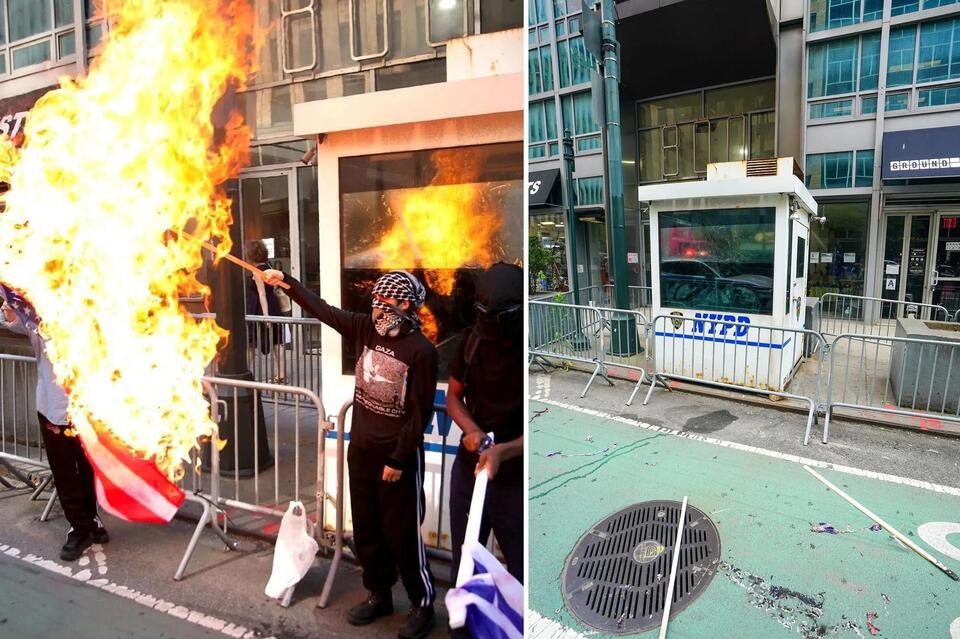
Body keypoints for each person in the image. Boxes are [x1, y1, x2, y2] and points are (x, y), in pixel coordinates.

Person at [261, 267, 439, 639]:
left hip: (396, 460)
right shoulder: (364, 328)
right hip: (361, 450)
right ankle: (379, 595)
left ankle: (422, 603)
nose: (377, 306)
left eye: (385, 300)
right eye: (375, 299)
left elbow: (420, 411)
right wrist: (287, 284)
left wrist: (398, 459)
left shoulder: (420, 351)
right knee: (368, 530)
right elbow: (323, 310)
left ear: (405, 304)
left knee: (401, 534)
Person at [0, 288, 108, 561]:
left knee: (88, 467)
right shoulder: (35, 321)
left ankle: (92, 518)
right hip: (52, 409)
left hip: (88, 408)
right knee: (64, 472)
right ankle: (79, 528)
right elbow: (10, 321)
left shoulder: (88, 323)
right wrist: (9, 307)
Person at [446, 263, 524, 599]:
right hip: (470, 471)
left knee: (520, 570)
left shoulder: (527, 351)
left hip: (515, 477)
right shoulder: (471, 340)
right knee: (464, 566)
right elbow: (453, 396)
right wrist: (472, 429)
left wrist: (505, 450)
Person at [245, 240, 286, 383]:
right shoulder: (268, 267)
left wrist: (266, 316)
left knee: (251, 342)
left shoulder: (257, 272)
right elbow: (271, 290)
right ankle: (280, 374)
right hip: (273, 306)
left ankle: (245, 371)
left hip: (261, 309)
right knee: (277, 341)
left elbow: (261, 294)